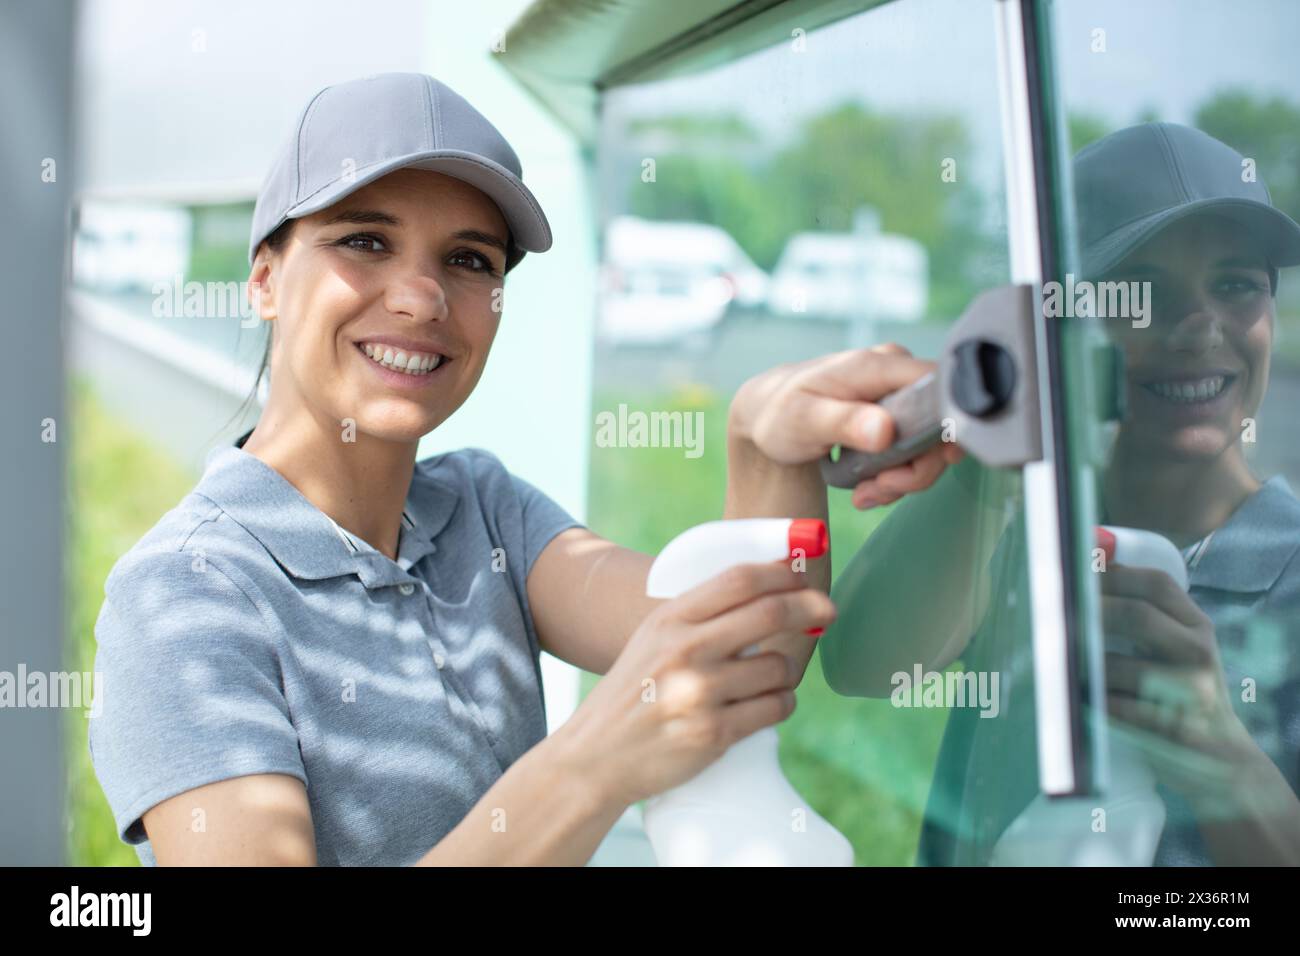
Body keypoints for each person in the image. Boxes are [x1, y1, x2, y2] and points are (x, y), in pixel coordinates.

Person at [88, 72, 950, 866]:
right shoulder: (184, 597)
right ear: (267, 280)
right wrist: (593, 764)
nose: (421, 298)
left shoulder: (484, 509)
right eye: (364, 241)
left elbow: (741, 653)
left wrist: (762, 444)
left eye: (468, 260)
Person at [820, 122, 1300, 865]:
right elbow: (859, 663)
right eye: (1142, 294)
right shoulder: (1027, 527)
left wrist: (1215, 745)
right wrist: (997, 445)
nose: (1200, 326)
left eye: (1237, 285)